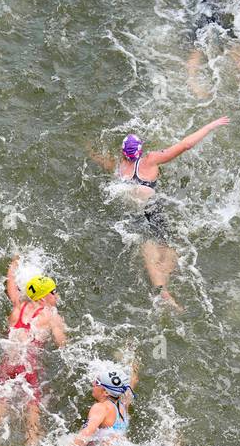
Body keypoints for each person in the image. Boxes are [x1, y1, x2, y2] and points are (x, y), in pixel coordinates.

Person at [93, 118, 230, 307]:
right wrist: (210, 125)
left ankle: (161, 287)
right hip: (152, 210)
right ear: (140, 152)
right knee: (167, 248)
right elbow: (186, 144)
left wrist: (89, 150)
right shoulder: (150, 160)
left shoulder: (119, 168)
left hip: (131, 215)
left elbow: (103, 162)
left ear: (122, 153)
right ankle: (163, 290)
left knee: (148, 246)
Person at [0, 258, 66, 446]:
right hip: (29, 367)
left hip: (8, 365)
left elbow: (11, 285)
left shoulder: (18, 307)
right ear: (44, 297)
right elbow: (64, 345)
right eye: (54, 292)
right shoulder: (51, 316)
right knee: (32, 417)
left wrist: (13, 264)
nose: (57, 295)